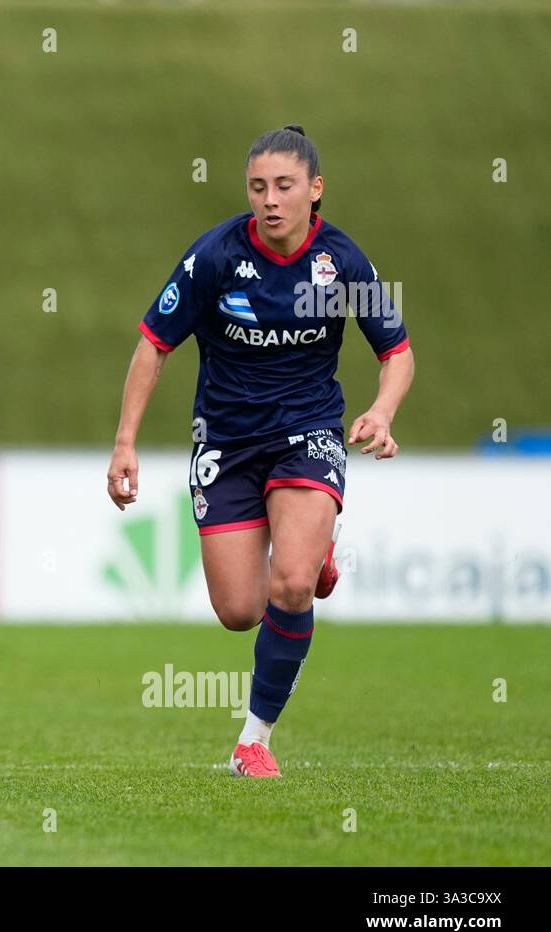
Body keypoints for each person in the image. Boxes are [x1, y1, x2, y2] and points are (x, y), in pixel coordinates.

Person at [107, 125, 414, 777]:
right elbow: (153, 342)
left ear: (315, 189)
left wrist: (382, 411)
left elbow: (397, 351)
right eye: (257, 187)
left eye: (284, 185)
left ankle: (254, 740)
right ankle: (310, 549)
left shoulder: (341, 262)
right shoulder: (215, 257)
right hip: (224, 442)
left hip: (310, 434)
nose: (270, 200)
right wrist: (125, 440)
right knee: (239, 611)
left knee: (293, 583)